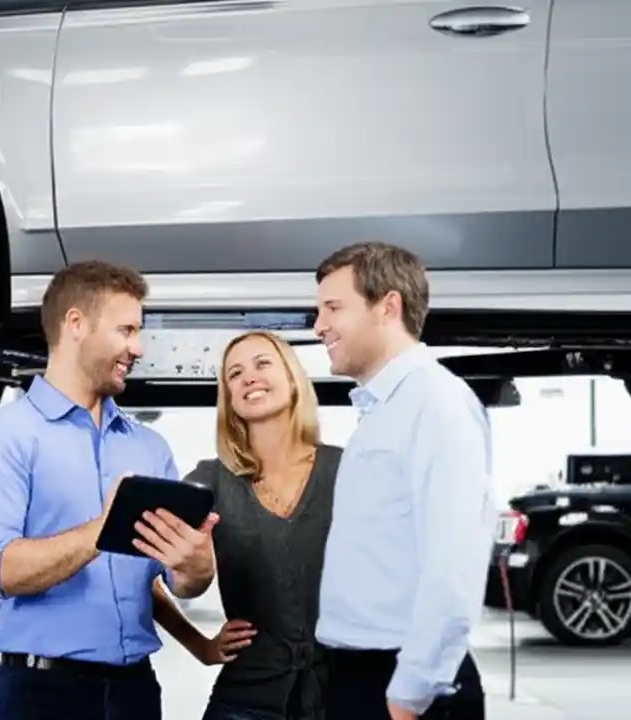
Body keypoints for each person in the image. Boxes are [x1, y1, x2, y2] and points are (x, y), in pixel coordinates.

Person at [0, 259, 219, 720]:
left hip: (136, 690)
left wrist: (195, 569)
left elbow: (168, 579)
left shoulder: (148, 447)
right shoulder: (2, 438)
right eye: (126, 330)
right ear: (75, 324)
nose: (137, 348)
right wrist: (103, 529)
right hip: (44, 695)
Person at [312, 242, 496, 720]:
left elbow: (454, 562)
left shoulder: (437, 404)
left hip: (401, 684)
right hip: (362, 675)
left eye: (334, 308)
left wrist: (409, 694)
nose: (319, 326)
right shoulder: (385, 410)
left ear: (388, 306)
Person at [172, 330, 343, 720]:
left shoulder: (349, 470)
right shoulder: (208, 481)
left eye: (262, 363)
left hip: (343, 696)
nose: (249, 377)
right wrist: (201, 646)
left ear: (292, 378)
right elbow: (137, 572)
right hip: (245, 700)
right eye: (234, 373)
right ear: (229, 398)